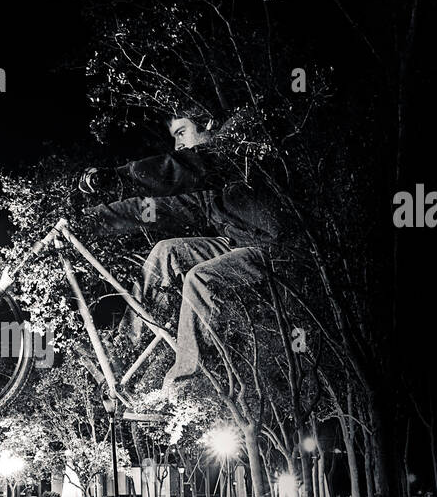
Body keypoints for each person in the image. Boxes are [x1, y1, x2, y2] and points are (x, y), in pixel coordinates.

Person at [76, 109, 282, 393]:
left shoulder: (233, 148)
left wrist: (119, 177)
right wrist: (93, 220)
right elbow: (156, 209)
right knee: (166, 252)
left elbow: (180, 169)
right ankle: (122, 352)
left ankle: (186, 391)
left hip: (277, 249)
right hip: (237, 242)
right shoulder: (212, 191)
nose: (178, 145)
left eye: (181, 133)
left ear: (208, 123)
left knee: (200, 279)